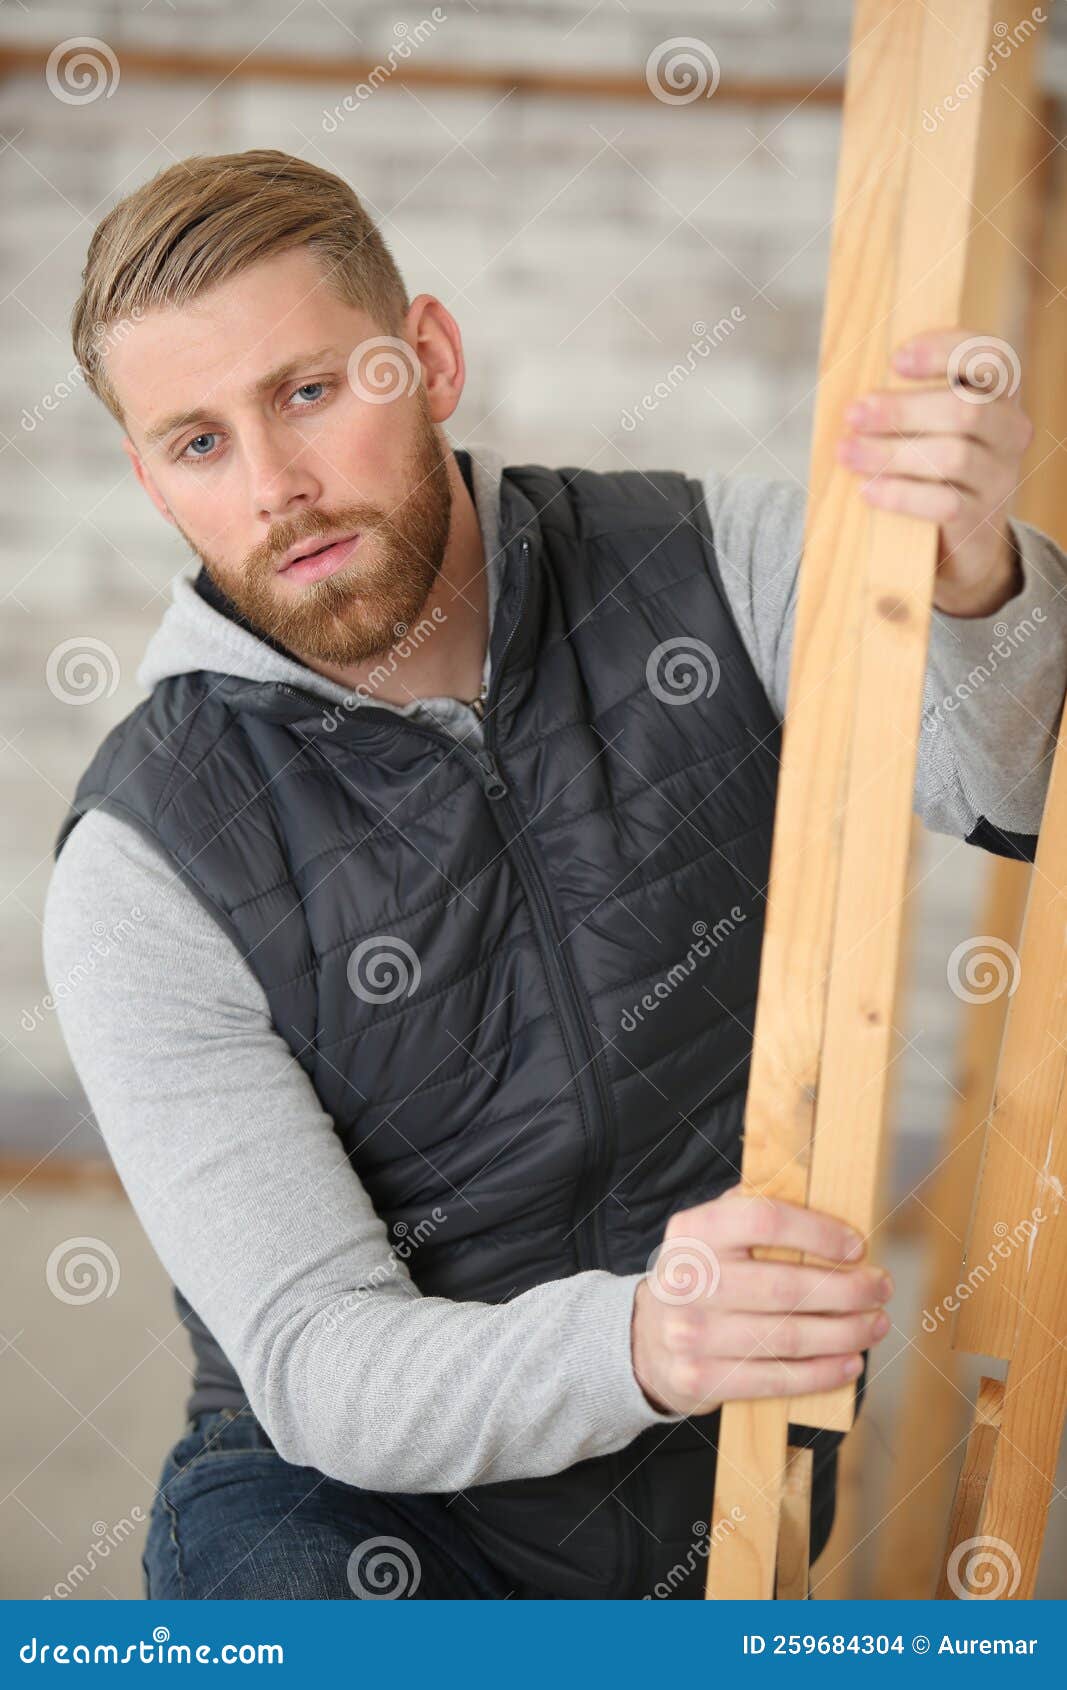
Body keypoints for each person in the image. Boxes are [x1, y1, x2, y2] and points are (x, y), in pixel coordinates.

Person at [43, 149, 1066, 1599]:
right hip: (342, 1532)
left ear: (432, 355)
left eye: (309, 391)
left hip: (720, 1494)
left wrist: (977, 572)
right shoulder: (140, 865)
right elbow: (324, 1366)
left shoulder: (720, 563)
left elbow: (1012, 786)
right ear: (150, 480)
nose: (276, 487)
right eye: (198, 443)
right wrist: (647, 1339)